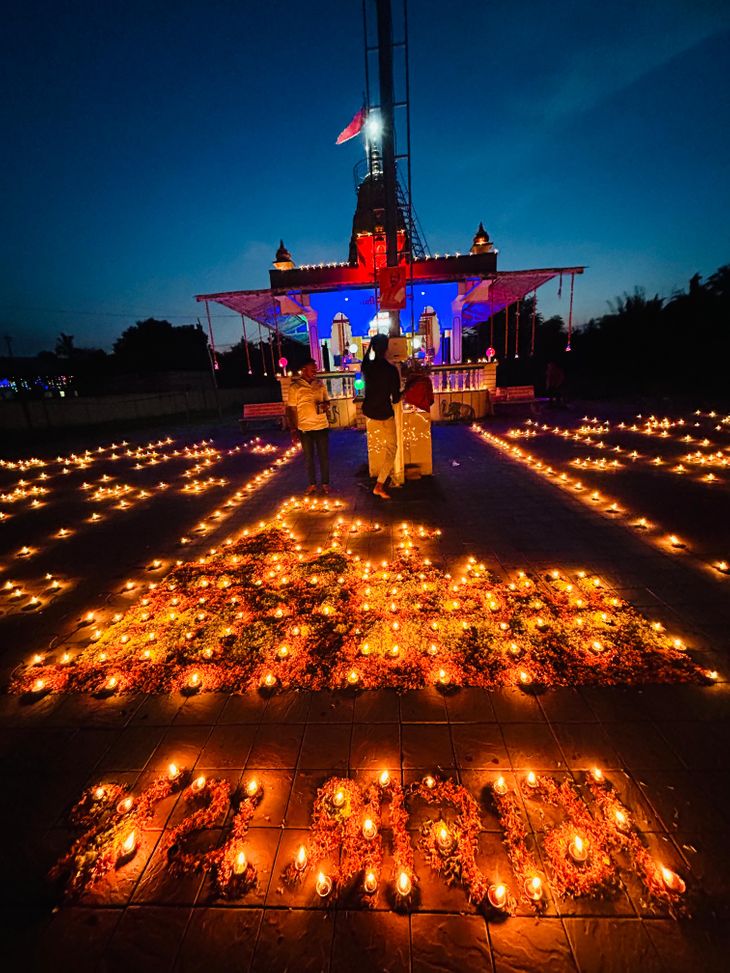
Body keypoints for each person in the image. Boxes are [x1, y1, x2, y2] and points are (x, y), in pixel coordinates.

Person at [362, 333, 402, 499]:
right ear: (386, 348)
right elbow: (396, 398)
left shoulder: (367, 366)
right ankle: (379, 485)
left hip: (369, 412)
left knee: (376, 446)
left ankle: (379, 480)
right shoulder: (391, 370)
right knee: (391, 449)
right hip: (384, 414)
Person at [286, 358, 330, 494]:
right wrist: (293, 428)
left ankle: (325, 484)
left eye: (316, 369)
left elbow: (327, 401)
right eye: (313, 369)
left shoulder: (319, 384)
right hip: (304, 428)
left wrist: (326, 405)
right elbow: (291, 409)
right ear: (304, 370)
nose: (315, 371)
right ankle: (312, 484)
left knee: (323, 456)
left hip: (321, 425)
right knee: (308, 458)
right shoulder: (295, 387)